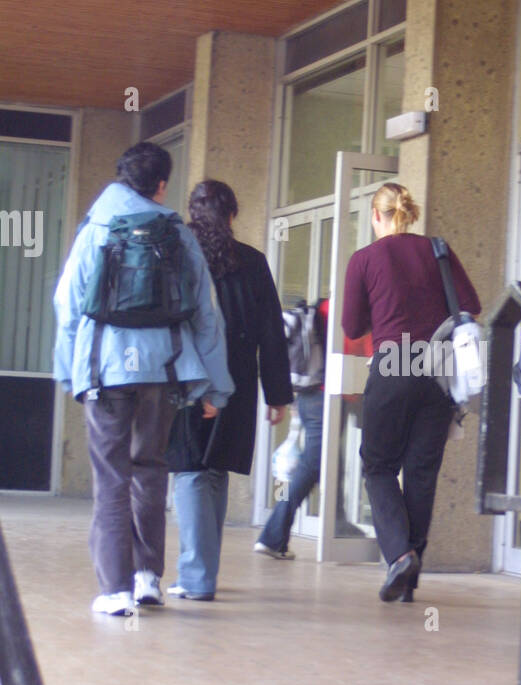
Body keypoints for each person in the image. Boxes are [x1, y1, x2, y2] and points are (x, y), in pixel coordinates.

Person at [53, 142, 233, 617]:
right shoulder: (175, 232)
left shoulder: (96, 227)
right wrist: (216, 386)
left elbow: (67, 304)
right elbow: (205, 313)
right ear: (160, 185)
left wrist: (66, 369)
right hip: (163, 368)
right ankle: (147, 577)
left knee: (111, 475)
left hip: (105, 368)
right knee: (150, 468)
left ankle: (114, 590)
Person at [342, 182, 481, 602]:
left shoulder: (364, 259)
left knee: (378, 465)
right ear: (409, 213)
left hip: (393, 363)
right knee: (421, 471)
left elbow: (351, 326)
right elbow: (470, 302)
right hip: (438, 366)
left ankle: (400, 556)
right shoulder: (437, 249)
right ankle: (408, 579)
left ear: (376, 216)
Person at [167, 180, 291, 599]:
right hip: (237, 382)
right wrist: (277, 394)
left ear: (192, 214)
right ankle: (203, 570)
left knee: (190, 471)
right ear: (233, 215)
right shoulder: (253, 263)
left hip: (188, 378)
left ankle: (197, 577)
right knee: (214, 470)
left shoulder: (180, 257)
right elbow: (273, 333)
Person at [254, 299, 370, 558]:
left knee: (331, 463)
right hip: (327, 397)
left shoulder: (326, 307)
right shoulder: (352, 311)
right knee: (312, 465)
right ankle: (273, 536)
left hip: (309, 395)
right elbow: (362, 354)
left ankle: (337, 522)